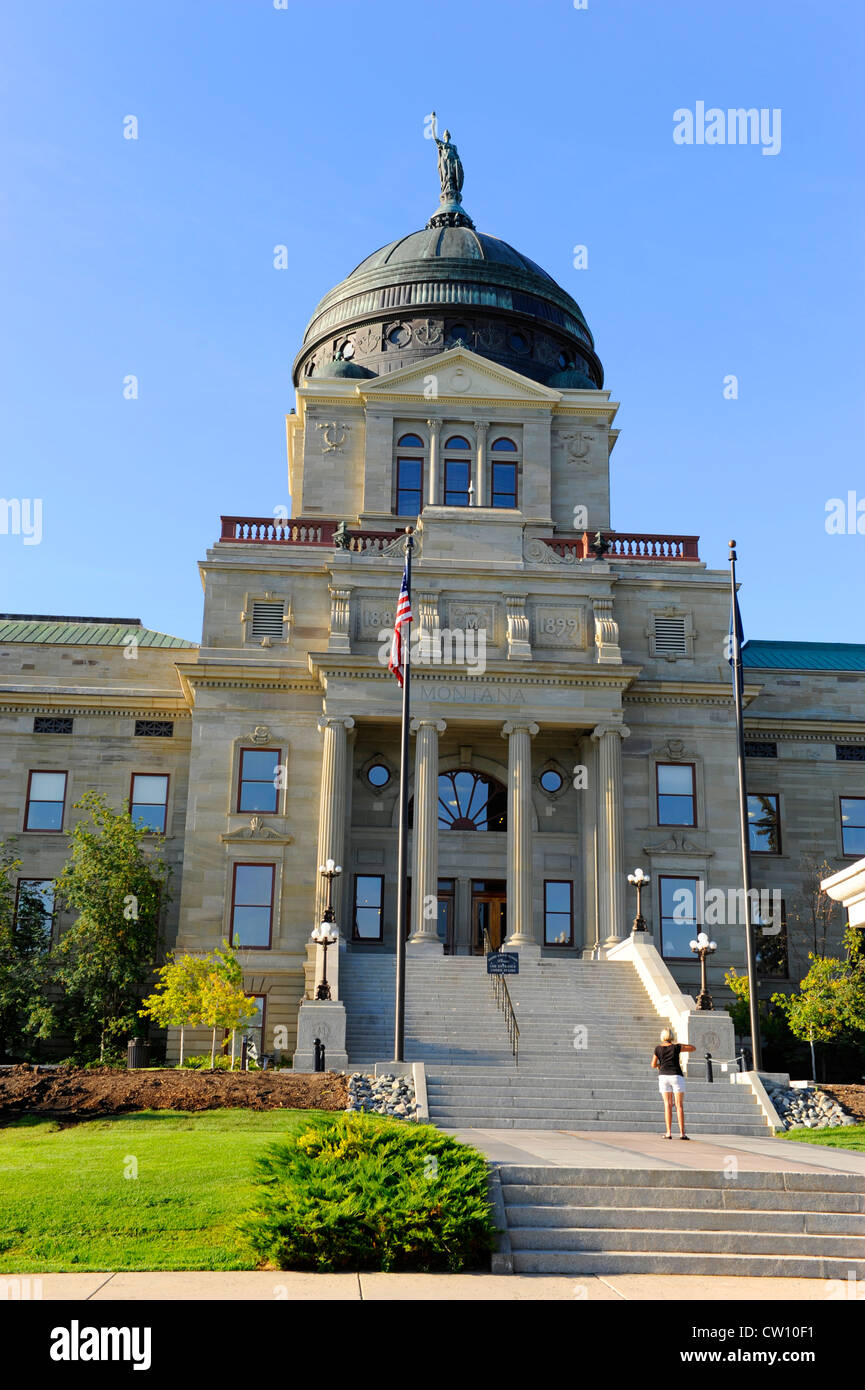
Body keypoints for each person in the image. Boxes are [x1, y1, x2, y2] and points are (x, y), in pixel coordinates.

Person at [652, 1028, 696, 1139]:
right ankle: (682, 1133)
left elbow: (653, 1064)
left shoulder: (658, 1048)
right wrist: (679, 1045)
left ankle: (668, 1133)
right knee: (679, 1105)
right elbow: (693, 1048)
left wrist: (659, 1066)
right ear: (671, 1036)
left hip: (663, 1076)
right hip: (676, 1075)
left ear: (662, 1036)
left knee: (667, 1104)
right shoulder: (676, 1047)